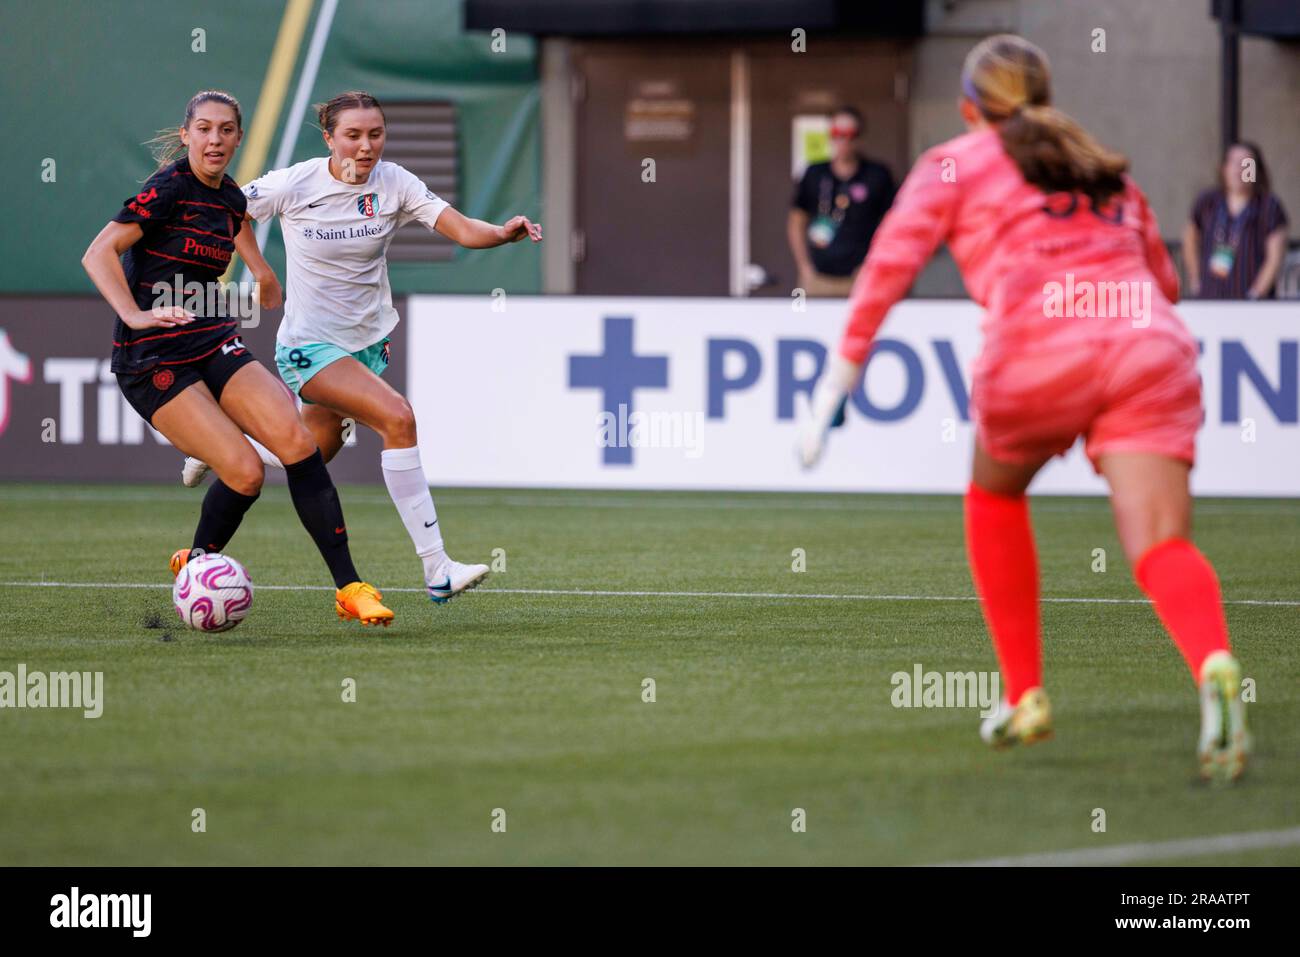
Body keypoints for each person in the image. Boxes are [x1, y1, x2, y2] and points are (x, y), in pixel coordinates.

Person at [798, 36, 1249, 782]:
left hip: (1038, 348)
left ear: (970, 107)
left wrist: (835, 384)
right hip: (1145, 343)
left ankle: (1025, 694)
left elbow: (887, 267)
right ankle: (1215, 664)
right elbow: (1163, 281)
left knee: (995, 494)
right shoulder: (1099, 161)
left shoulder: (955, 162)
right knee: (1160, 545)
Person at [186, 91, 542, 604]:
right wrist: (261, 271)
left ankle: (223, 452)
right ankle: (437, 568)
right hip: (309, 347)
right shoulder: (296, 182)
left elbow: (461, 229)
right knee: (398, 418)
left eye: (375, 134)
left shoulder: (394, 182)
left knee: (309, 452)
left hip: (368, 346)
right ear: (329, 138)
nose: (365, 145)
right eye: (352, 135)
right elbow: (230, 207)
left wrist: (503, 234)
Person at [81, 91, 394, 626]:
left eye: (226, 130)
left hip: (212, 337)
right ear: (186, 135)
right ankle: (199, 560)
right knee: (246, 473)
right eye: (203, 129)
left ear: (238, 138)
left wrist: (262, 270)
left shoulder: (229, 197)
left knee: (298, 444)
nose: (215, 140)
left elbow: (237, 220)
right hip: (153, 356)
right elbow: (98, 252)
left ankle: (350, 588)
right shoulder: (167, 189)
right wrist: (134, 315)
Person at [788, 106, 896, 297]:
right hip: (818, 278)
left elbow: (892, 225)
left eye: (850, 134)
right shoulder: (814, 173)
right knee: (809, 324)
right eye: (837, 134)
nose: (843, 141)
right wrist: (804, 266)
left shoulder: (876, 175)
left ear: (859, 137)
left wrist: (874, 264)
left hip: (861, 277)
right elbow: (796, 221)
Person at [1182, 141, 1288, 299]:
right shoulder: (1208, 202)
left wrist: (1257, 293)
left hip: (1251, 300)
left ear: (1257, 171)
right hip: (1210, 296)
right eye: (1234, 162)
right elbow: (1190, 238)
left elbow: (1275, 256)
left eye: (1247, 164)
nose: (1239, 169)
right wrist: (1195, 279)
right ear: (1224, 168)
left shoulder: (1269, 206)